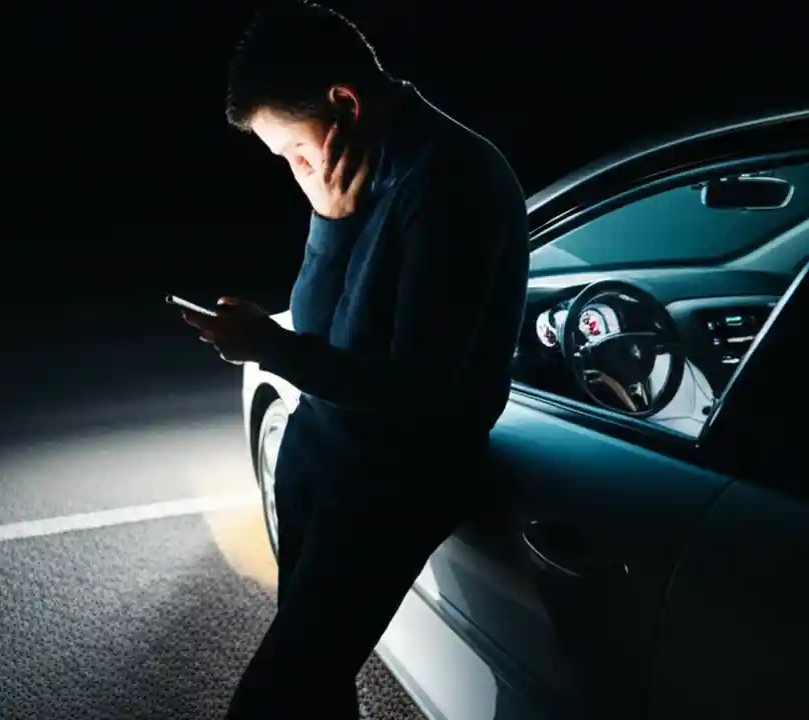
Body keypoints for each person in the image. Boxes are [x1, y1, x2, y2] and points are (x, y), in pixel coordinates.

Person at [179, 2, 529, 717]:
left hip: (396, 479)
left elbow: (419, 390)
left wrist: (268, 347)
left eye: (296, 152)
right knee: (316, 679)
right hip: (323, 446)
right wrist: (328, 223)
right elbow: (319, 324)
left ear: (344, 101)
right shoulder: (353, 173)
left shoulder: (452, 180)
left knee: (276, 696)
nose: (297, 170)